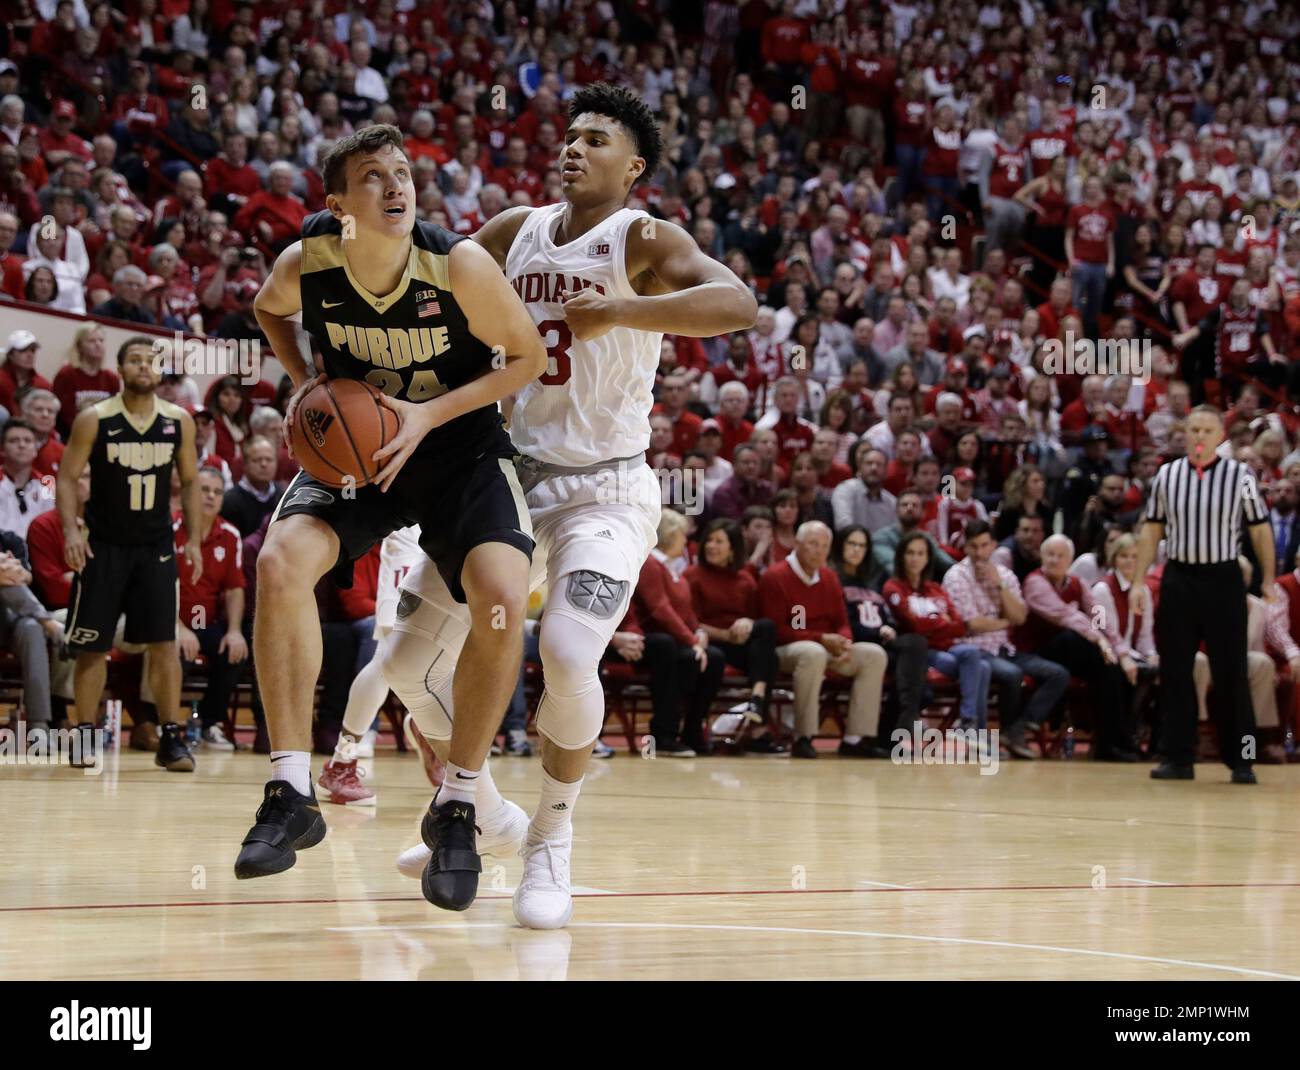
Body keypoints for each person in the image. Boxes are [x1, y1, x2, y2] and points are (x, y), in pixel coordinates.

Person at [384, 85, 757, 927]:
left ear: (633, 169)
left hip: (603, 492)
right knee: (407, 666)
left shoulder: (643, 237)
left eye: (596, 140)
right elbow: (427, 284)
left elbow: (739, 305)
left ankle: (551, 835)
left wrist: (624, 308)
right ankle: (477, 810)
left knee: (563, 649)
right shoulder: (515, 229)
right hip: (504, 479)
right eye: (570, 135)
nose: (574, 148)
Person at [231, 122, 548, 898]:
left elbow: (528, 358)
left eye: (403, 173)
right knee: (278, 564)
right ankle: (291, 788)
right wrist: (305, 377)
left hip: (457, 447)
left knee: (503, 598)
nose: (396, 186)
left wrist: (425, 417)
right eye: (373, 176)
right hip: (358, 451)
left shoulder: (459, 265)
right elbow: (268, 311)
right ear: (338, 203)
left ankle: (460, 802)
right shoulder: (307, 263)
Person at [56, 337, 203, 772]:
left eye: (151, 361)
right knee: (91, 647)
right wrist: (71, 530)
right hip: (103, 545)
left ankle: (171, 738)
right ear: (119, 369)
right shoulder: (94, 419)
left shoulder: (179, 421)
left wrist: (192, 539)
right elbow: (66, 478)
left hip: (155, 546)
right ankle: (84, 734)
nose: (143, 366)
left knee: (164, 643)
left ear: (161, 373)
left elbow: (191, 481)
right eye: (134, 359)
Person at [1134, 406, 1274, 783]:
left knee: (1233, 671)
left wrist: (1268, 579)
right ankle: (1177, 758)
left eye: (1206, 430)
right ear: (1185, 433)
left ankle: (1243, 759)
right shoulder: (1167, 475)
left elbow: (1260, 530)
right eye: (1193, 428)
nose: (1198, 435)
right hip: (1178, 577)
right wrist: (1137, 581)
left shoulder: (1240, 475)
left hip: (1224, 578)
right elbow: (1150, 530)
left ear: (1219, 436)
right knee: (1175, 670)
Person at [759, 520, 889, 760]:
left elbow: (842, 621)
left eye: (824, 546)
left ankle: (856, 738)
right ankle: (803, 737)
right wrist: (821, 639)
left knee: (873, 654)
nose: (819, 551)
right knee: (812, 653)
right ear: (797, 544)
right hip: (787, 650)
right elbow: (776, 629)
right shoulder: (775, 576)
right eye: (813, 544)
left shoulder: (829, 577)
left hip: (827, 647)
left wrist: (845, 642)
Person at [944, 520, 1071, 758]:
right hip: (972, 649)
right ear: (966, 548)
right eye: (973, 546)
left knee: (1057, 674)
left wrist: (999, 586)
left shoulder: (1004, 575)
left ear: (993, 545)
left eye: (984, 545)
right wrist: (1004, 621)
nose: (979, 552)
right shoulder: (956, 576)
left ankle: (1018, 728)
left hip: (1005, 648)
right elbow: (972, 624)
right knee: (1011, 674)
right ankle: (999, 734)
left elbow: (1020, 616)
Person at [317, 524, 423, 804]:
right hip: (412, 527)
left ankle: (431, 730)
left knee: (461, 648)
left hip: (458, 527)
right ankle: (342, 761)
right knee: (387, 656)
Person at [1014, 534, 1138, 761]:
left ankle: (1115, 743)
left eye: (1060, 556)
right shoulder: (1035, 581)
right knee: (1076, 640)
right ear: (1041, 557)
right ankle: (1113, 744)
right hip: (1035, 652)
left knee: (1112, 669)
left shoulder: (1077, 584)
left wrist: (1121, 652)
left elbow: (1099, 617)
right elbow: (1064, 615)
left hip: (1071, 654)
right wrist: (1099, 641)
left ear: (1070, 560)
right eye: (1050, 554)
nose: (1054, 560)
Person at [685, 517, 786, 755]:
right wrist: (725, 634)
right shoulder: (693, 575)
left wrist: (747, 622)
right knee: (768, 659)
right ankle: (759, 725)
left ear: (733, 548)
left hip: (740, 644)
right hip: (710, 641)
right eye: (709, 540)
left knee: (767, 630)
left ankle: (757, 699)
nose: (711, 546)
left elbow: (758, 621)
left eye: (719, 541)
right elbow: (690, 622)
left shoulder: (745, 580)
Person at [632, 509, 726, 755]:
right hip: (648, 641)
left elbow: (687, 613)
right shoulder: (650, 562)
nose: (687, 540)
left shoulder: (675, 569)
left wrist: (698, 634)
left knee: (714, 658)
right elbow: (659, 610)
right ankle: (663, 733)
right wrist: (691, 639)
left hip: (675, 641)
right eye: (683, 534)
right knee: (673, 650)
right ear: (670, 535)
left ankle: (693, 729)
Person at [885, 531, 993, 733]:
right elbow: (913, 625)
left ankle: (972, 724)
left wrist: (933, 625)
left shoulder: (935, 588)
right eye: (910, 553)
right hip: (920, 654)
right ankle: (972, 728)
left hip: (947, 647)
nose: (915, 558)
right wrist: (940, 621)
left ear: (928, 558)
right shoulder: (893, 588)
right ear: (901, 556)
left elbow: (960, 625)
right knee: (980, 667)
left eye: (920, 553)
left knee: (977, 659)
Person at [174, 465, 248, 752]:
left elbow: (234, 588)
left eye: (217, 492)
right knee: (175, 651)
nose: (210, 496)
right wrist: (179, 629)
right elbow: (157, 587)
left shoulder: (230, 535)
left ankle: (208, 723)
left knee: (233, 652)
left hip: (202, 619)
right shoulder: (169, 529)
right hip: (170, 619)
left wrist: (233, 631)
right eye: (204, 490)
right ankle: (163, 724)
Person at [833, 524, 929, 745]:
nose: (857, 550)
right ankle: (899, 727)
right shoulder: (832, 578)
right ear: (841, 547)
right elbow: (841, 622)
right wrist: (877, 631)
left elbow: (881, 616)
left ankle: (898, 726)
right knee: (917, 686)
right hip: (857, 644)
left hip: (881, 643)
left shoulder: (871, 582)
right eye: (852, 544)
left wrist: (888, 627)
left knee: (915, 645)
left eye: (862, 545)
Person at [872, 488, 956, 579]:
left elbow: (947, 563)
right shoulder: (881, 537)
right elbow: (894, 567)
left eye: (915, 505)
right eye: (905, 505)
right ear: (896, 510)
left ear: (923, 512)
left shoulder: (925, 537)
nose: (910, 508)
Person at [0, 419, 55, 539]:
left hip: (36, 551)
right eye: (14, 441)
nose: (22, 445)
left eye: (28, 441)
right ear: (2, 450)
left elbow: (52, 525)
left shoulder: (48, 484)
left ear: (35, 450)